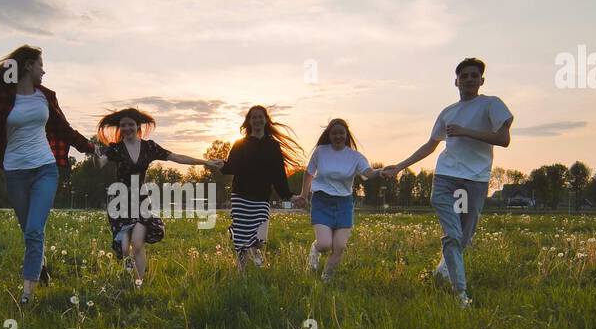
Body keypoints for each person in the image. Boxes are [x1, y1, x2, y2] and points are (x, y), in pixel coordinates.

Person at [0, 45, 100, 305]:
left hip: (46, 168)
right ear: (28, 66)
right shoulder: (2, 100)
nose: (44, 70)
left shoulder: (46, 97)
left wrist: (91, 149)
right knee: (29, 231)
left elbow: (64, 129)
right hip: (16, 173)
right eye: (40, 65)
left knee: (34, 230)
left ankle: (26, 295)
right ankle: (40, 266)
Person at [382, 57, 513, 306]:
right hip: (446, 177)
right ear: (456, 81)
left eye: (474, 76)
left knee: (464, 237)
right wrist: (399, 166)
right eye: (464, 76)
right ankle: (460, 294)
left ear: (482, 80)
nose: (469, 80)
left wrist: (465, 131)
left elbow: (504, 139)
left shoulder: (492, 105)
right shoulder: (447, 112)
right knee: (452, 235)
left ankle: (442, 271)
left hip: (475, 180)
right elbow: (430, 146)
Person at [94, 108, 223, 284]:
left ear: (137, 126)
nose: (127, 128)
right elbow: (100, 163)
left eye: (130, 124)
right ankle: (127, 276)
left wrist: (205, 162)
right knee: (124, 249)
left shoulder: (149, 147)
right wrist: (95, 154)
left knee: (137, 244)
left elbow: (176, 157)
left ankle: (138, 284)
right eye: (123, 125)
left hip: (140, 200)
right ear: (119, 128)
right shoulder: (115, 149)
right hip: (120, 201)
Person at [291, 119, 381, 282]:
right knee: (325, 244)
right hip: (322, 201)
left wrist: (381, 172)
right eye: (334, 133)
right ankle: (315, 248)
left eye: (341, 133)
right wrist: (303, 195)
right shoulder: (320, 151)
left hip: (343, 204)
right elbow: (309, 173)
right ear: (329, 135)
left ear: (346, 135)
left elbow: (368, 173)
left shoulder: (355, 157)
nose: (338, 136)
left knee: (339, 246)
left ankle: (326, 279)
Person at [220, 105, 305, 271]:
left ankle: (255, 256)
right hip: (241, 196)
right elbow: (231, 168)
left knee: (260, 238)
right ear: (249, 121)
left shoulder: (272, 146)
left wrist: (289, 196)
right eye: (254, 117)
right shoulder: (240, 144)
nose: (257, 120)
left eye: (260, 117)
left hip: (261, 198)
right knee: (242, 236)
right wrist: (220, 165)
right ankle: (241, 270)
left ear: (266, 120)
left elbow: (278, 174)